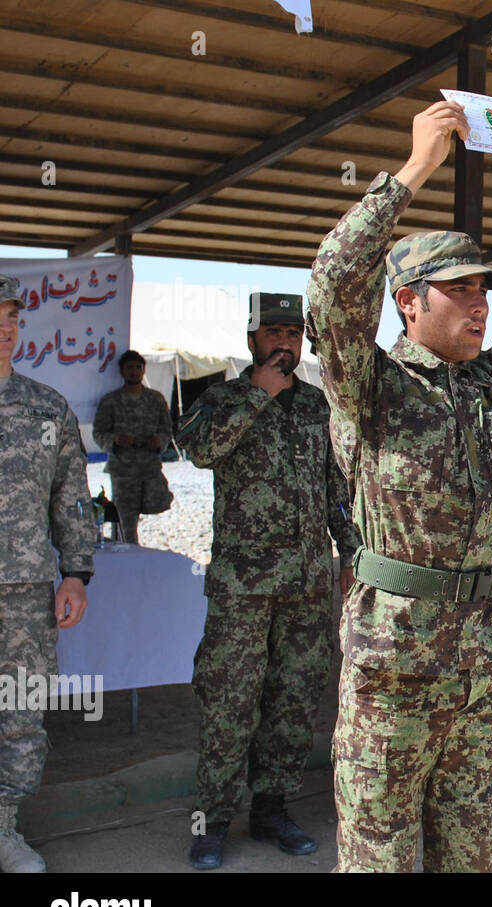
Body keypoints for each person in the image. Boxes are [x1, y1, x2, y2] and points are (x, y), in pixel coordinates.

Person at [306, 101, 492, 872]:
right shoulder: (369, 384)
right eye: (458, 289)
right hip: (394, 662)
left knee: (472, 849)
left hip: (479, 661)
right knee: (380, 854)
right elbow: (331, 288)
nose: (479, 303)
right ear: (408, 302)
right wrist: (414, 171)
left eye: (484, 291)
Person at [177, 293, 360, 870]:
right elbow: (200, 449)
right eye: (272, 332)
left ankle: (273, 807)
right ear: (252, 336)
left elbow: (338, 492)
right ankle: (211, 821)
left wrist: (351, 554)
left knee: (293, 700)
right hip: (242, 589)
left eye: (292, 332)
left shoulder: (317, 406)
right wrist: (259, 393)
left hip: (306, 586)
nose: (284, 342)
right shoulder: (221, 398)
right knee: (230, 703)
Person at [0, 274, 95, 873]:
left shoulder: (46, 406)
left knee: (20, 713)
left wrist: (76, 572)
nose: (5, 326)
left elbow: (72, 497)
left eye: (11, 316)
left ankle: (4, 830)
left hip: (27, 592)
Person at [92, 350, 172, 543]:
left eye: (138, 367)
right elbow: (98, 433)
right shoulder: (111, 401)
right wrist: (115, 440)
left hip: (150, 468)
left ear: (143, 371)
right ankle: (126, 556)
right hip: (123, 470)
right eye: (130, 368)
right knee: (125, 521)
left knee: (160, 502)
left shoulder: (156, 399)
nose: (134, 372)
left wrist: (159, 441)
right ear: (122, 371)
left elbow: (167, 429)